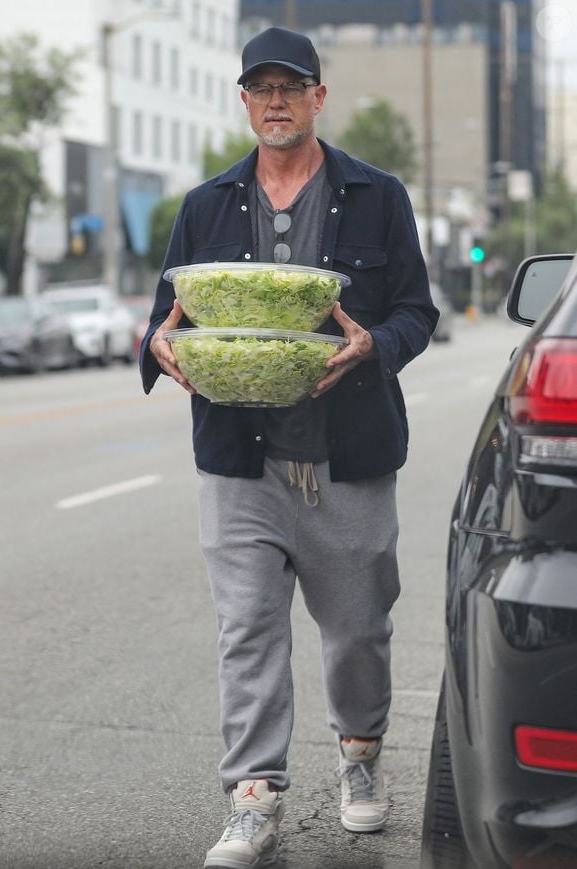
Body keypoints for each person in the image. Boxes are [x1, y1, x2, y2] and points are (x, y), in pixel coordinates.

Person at [140, 26, 439, 869]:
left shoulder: (375, 195)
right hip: (240, 458)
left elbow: (418, 312)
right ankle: (253, 796)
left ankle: (360, 754)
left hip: (348, 459)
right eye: (259, 87)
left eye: (290, 85)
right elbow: (166, 317)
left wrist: (372, 345)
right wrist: (157, 349)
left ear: (318, 95)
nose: (275, 100)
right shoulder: (205, 206)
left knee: (356, 632)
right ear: (243, 101)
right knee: (247, 629)